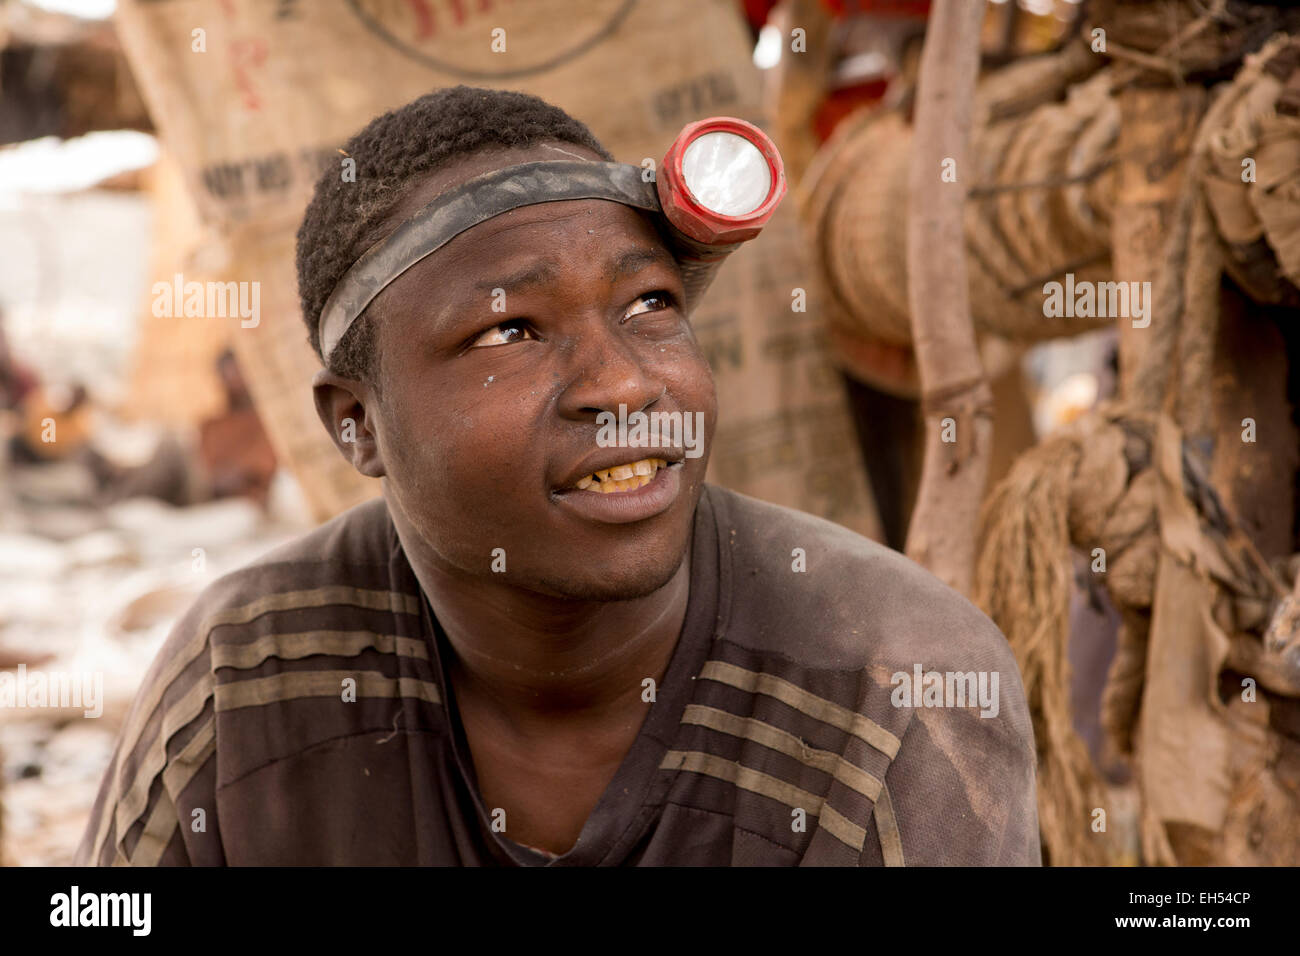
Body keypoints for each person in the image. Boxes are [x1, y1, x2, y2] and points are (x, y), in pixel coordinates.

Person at [77, 85, 1040, 866]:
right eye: (511, 330)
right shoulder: (247, 676)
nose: (623, 381)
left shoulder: (896, 688)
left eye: (650, 303)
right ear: (358, 426)